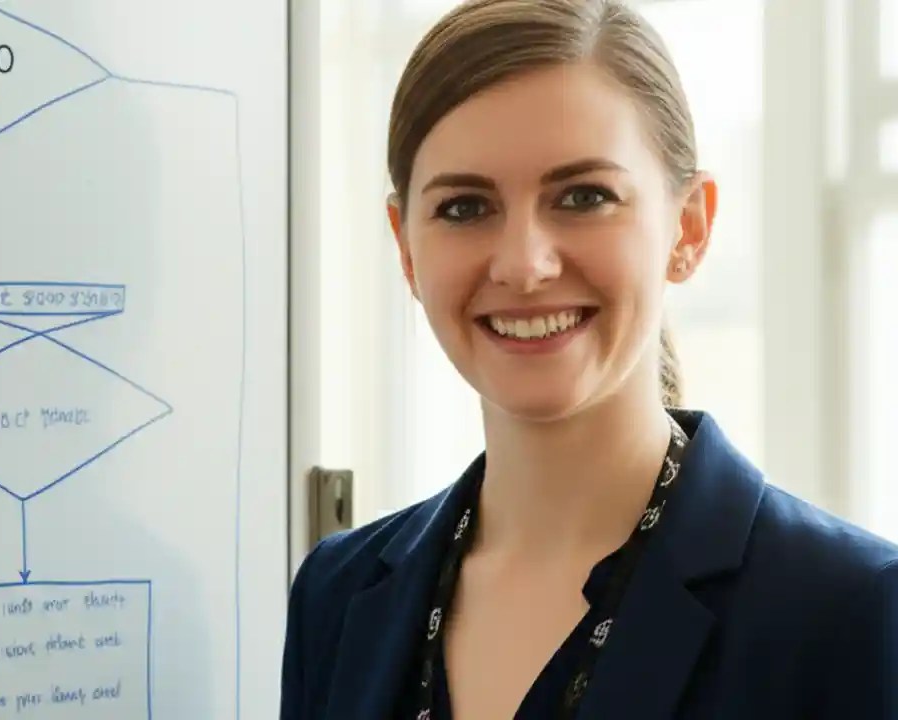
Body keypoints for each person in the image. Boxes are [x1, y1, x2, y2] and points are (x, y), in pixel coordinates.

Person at [280, 0, 898, 718]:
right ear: (405, 246)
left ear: (688, 227)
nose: (523, 265)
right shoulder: (338, 593)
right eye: (464, 208)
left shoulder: (853, 612)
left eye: (583, 196)